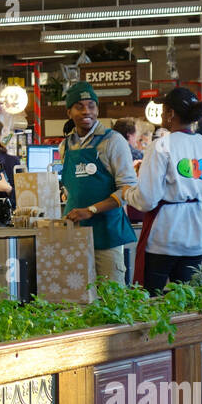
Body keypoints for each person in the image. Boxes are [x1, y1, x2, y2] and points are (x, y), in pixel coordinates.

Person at [121, 87, 202, 294]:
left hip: (166, 234)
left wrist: (126, 192)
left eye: (164, 110)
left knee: (151, 300)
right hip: (197, 233)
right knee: (187, 300)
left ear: (171, 113)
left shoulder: (161, 145)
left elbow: (147, 198)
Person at [60, 82, 137, 285]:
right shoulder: (65, 145)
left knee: (111, 299)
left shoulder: (113, 141)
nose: (87, 111)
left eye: (91, 105)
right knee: (77, 296)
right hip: (76, 233)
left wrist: (91, 209)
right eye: (79, 106)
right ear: (69, 111)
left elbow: (127, 190)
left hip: (107, 233)